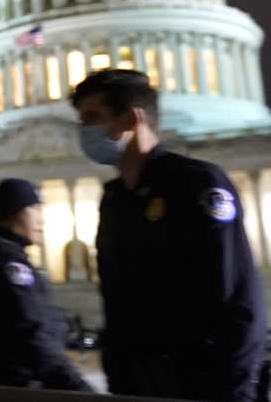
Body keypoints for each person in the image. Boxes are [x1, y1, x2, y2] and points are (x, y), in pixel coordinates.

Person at [74, 69, 267, 401]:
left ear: (132, 119)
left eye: (92, 118)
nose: (83, 131)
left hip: (204, 384)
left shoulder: (196, 184)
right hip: (141, 384)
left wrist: (230, 390)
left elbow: (234, 296)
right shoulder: (115, 200)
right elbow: (118, 302)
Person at [0, 178, 92, 391]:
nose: (42, 220)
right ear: (13, 212)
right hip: (14, 388)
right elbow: (35, 338)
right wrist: (80, 388)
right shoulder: (7, 266)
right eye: (35, 209)